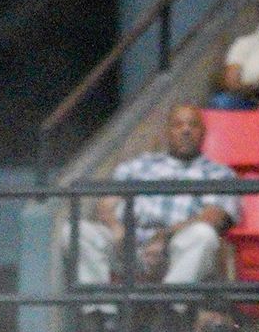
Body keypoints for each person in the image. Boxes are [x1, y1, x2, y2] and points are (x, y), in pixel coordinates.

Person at [70, 105, 237, 314]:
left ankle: (169, 312)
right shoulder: (138, 166)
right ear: (167, 131)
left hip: (177, 251)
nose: (186, 130)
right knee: (75, 230)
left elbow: (213, 217)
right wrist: (116, 228)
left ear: (203, 133)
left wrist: (165, 236)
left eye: (193, 125)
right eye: (178, 125)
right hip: (128, 246)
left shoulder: (217, 173)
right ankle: (100, 316)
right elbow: (106, 204)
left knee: (203, 235)